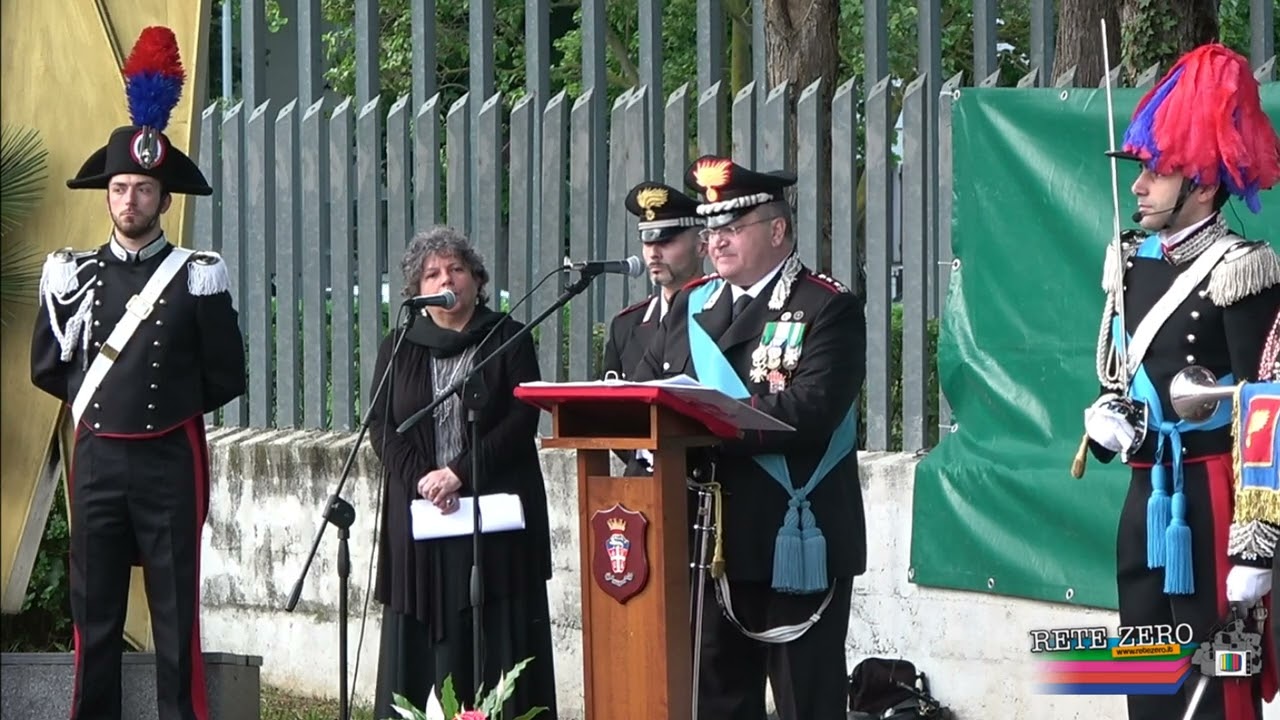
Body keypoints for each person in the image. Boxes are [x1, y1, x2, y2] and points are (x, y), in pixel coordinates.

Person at [28, 27, 246, 720]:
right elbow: (48, 366)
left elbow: (225, 373)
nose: (130, 200)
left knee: (176, 618)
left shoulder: (199, 278)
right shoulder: (70, 276)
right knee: (93, 620)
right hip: (96, 459)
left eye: (143, 189)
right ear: (106, 195)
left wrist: (163, 408)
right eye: (120, 188)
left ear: (163, 198)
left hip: (167, 461)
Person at [1082, 43, 1280, 720]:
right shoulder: (1130, 263)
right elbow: (1119, 376)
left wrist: (1256, 545)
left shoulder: (1242, 268)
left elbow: (1266, 413)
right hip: (1146, 496)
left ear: (1200, 182)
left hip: (1213, 496)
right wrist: (1108, 426)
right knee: (1145, 664)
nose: (1137, 187)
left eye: (1156, 173)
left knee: (1220, 677)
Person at [630, 155, 866, 720]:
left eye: (732, 229)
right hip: (708, 536)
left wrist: (704, 425)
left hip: (790, 532)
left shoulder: (826, 306)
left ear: (777, 230)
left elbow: (809, 410)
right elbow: (658, 389)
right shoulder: (695, 304)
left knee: (804, 698)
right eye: (711, 230)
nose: (715, 242)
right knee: (717, 696)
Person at [368, 227, 558, 719]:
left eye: (455, 268)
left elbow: (522, 420)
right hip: (422, 521)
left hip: (493, 519)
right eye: (432, 272)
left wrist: (458, 474)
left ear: (476, 278)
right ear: (416, 290)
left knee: (498, 634)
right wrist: (424, 481)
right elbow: (383, 427)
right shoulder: (399, 345)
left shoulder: (507, 338)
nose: (445, 278)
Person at [601, 181, 706, 381]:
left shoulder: (725, 313)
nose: (653, 254)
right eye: (647, 242)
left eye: (666, 242)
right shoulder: (626, 325)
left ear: (701, 246)